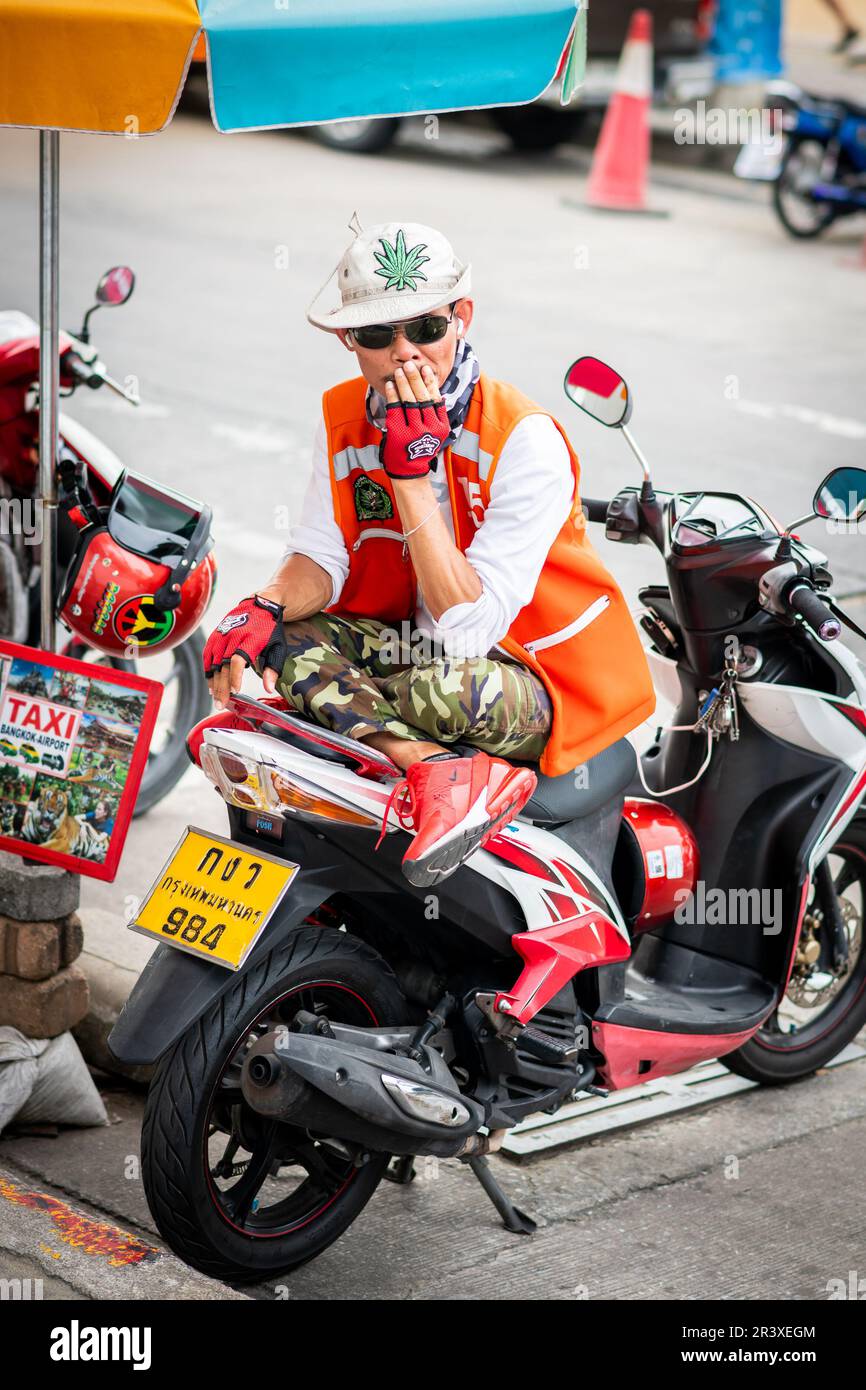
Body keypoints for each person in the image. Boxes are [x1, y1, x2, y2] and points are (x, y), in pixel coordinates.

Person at [203, 220, 654, 886]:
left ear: (462, 318)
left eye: (426, 328)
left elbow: (467, 628)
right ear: (347, 340)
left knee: (433, 685)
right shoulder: (344, 418)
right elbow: (320, 558)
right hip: (409, 648)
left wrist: (410, 477)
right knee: (280, 641)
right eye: (379, 335)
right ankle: (428, 765)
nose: (405, 355)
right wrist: (260, 605)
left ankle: (394, 732)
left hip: (527, 677)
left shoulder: (526, 439)